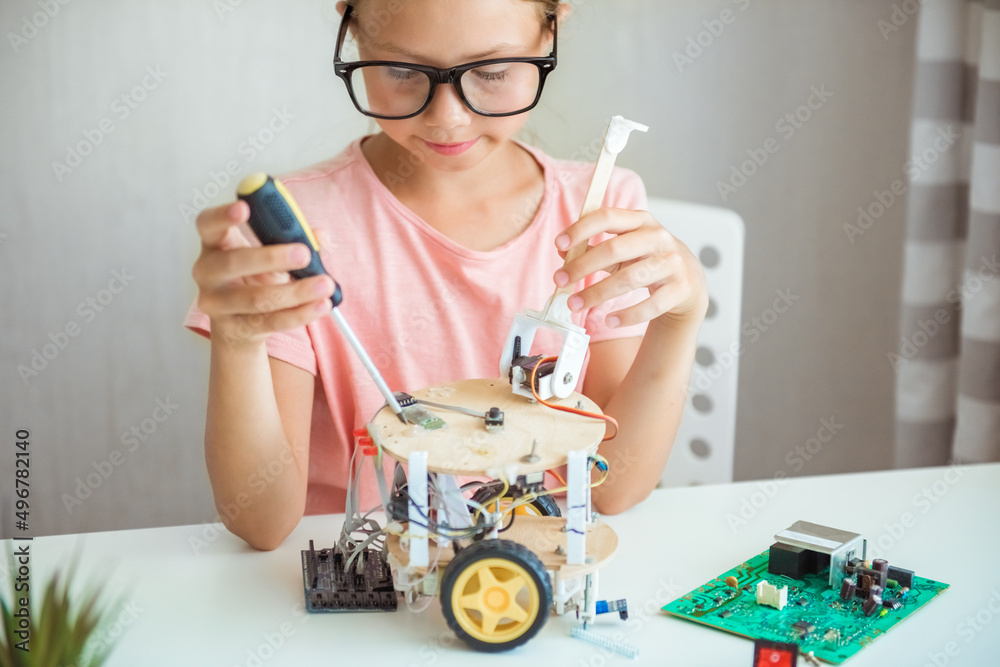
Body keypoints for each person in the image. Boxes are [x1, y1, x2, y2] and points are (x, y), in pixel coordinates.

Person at [186, 0, 707, 551]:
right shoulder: (290, 236)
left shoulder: (600, 209)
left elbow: (615, 487)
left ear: (552, 25)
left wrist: (681, 319)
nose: (447, 118)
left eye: (491, 73)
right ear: (352, 25)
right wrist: (238, 342)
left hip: (529, 573)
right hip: (374, 587)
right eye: (404, 72)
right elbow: (261, 522)